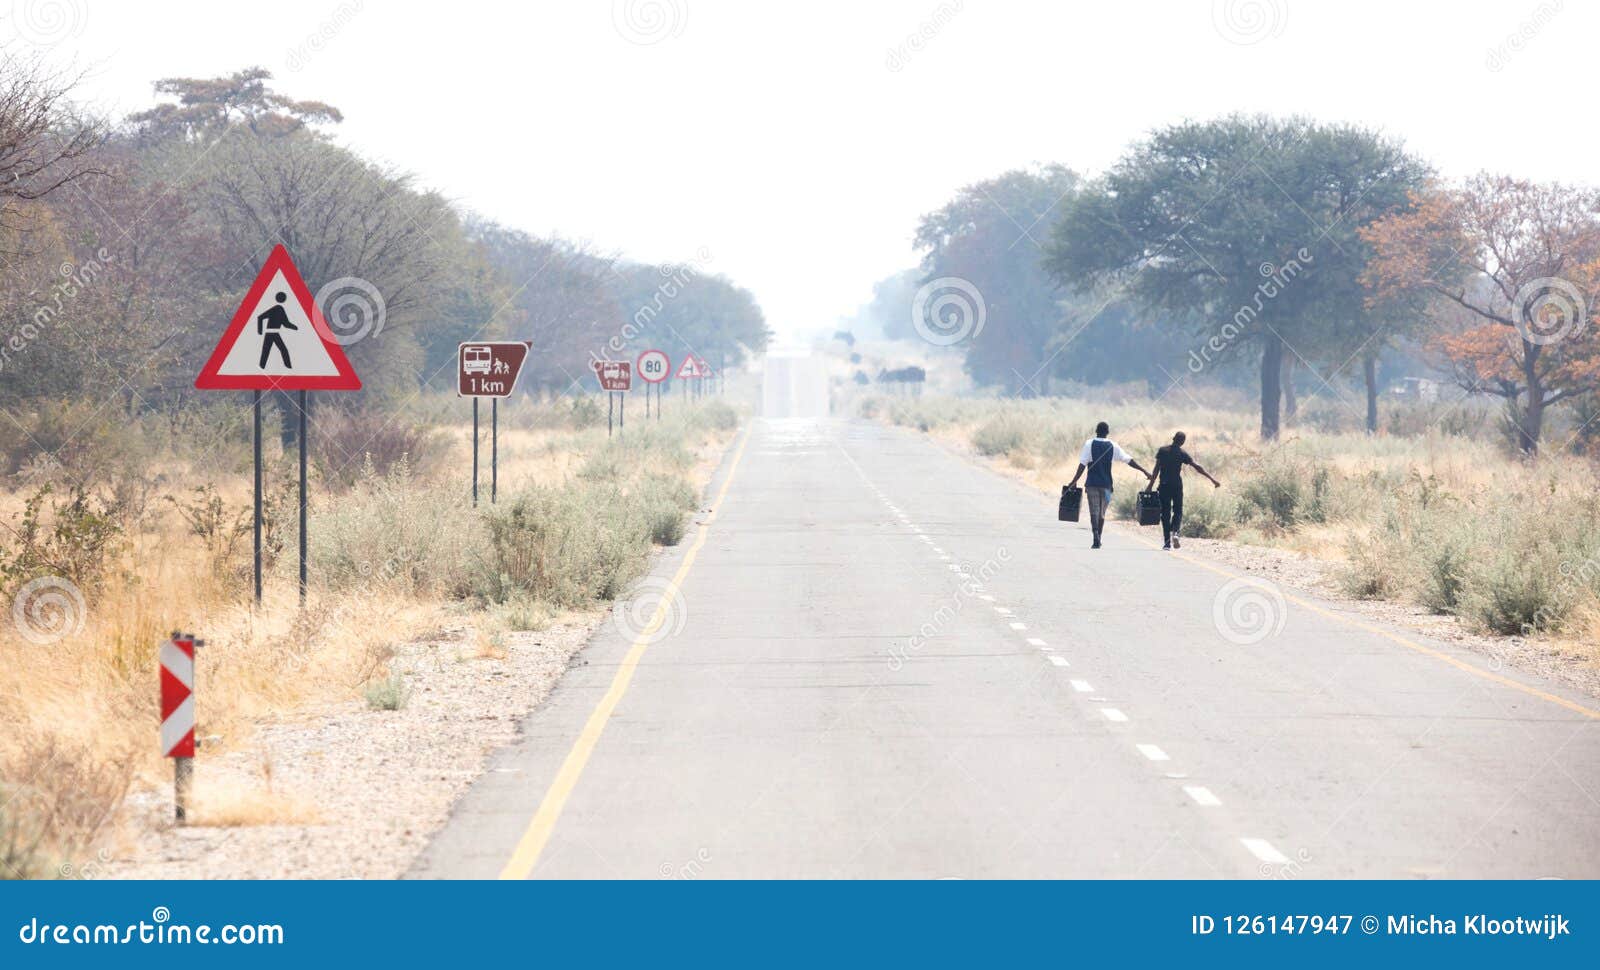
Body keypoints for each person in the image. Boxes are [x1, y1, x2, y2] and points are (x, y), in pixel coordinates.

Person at [1066, 421, 1154, 549]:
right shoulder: (1113, 445)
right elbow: (1129, 460)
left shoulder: (1089, 444)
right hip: (1107, 486)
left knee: (1093, 511)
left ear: (1096, 431)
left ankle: (1095, 534)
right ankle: (1099, 537)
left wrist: (1073, 482)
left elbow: (1082, 465)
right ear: (1107, 433)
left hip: (1091, 485)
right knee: (1102, 513)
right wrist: (1144, 471)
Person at [1149, 431, 1220, 550]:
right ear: (1182, 442)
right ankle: (1175, 532)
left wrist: (1150, 485)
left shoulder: (1162, 451)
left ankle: (1167, 543)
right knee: (1178, 511)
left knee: (1165, 514)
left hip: (1164, 486)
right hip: (1177, 486)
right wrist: (1212, 479)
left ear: (1173, 438)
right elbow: (1197, 467)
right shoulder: (1182, 453)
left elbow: (1156, 469)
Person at [257, 291, 297, 369]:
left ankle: (288, 367)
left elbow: (286, 324)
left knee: (274, 351)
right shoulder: (276, 308)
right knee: (269, 351)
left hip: (274, 333)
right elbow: (260, 317)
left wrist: (295, 327)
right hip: (270, 333)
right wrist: (260, 331)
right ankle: (261, 368)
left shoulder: (280, 309)